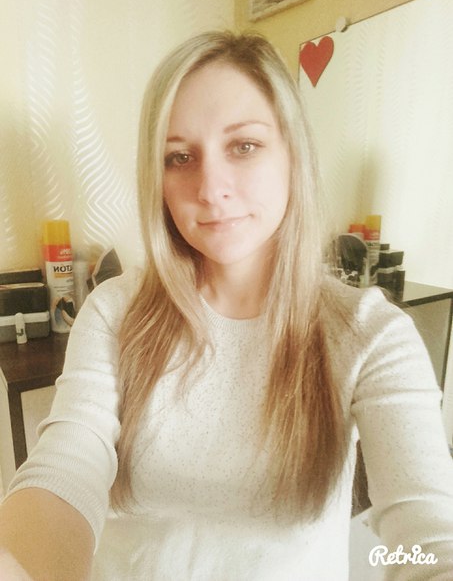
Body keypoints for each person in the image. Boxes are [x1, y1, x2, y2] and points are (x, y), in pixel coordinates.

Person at [1, 30, 453, 581]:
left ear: (293, 155)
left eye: (244, 146)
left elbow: (428, 527)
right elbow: (68, 461)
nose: (211, 188)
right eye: (180, 157)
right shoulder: (115, 312)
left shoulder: (371, 335)